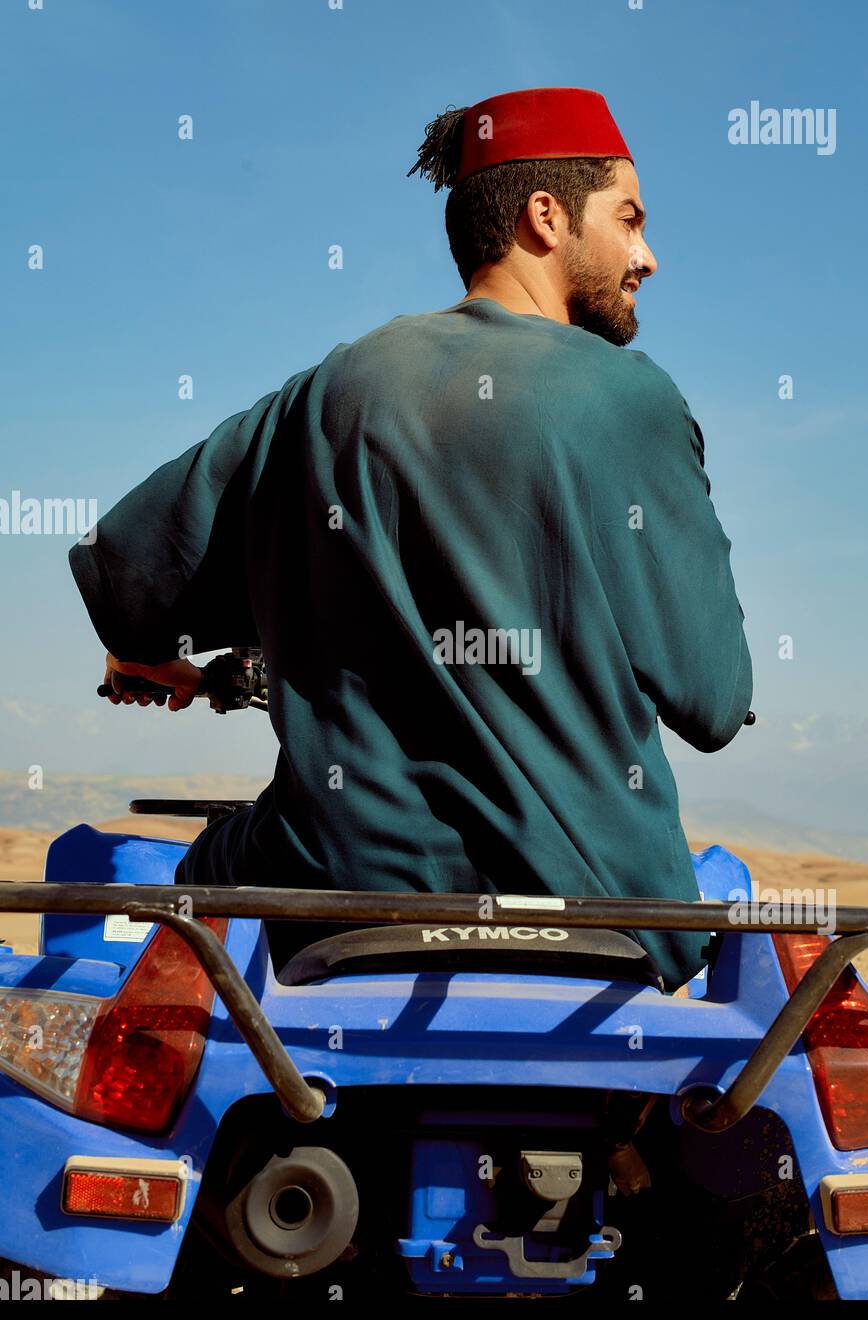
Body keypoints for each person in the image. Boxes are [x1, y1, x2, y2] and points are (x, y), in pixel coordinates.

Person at [69, 86, 752, 992]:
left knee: (151, 893)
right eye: (628, 221)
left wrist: (161, 659)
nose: (647, 256)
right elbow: (711, 701)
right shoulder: (630, 399)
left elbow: (132, 584)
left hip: (332, 896)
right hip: (599, 910)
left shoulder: (325, 394)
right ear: (545, 217)